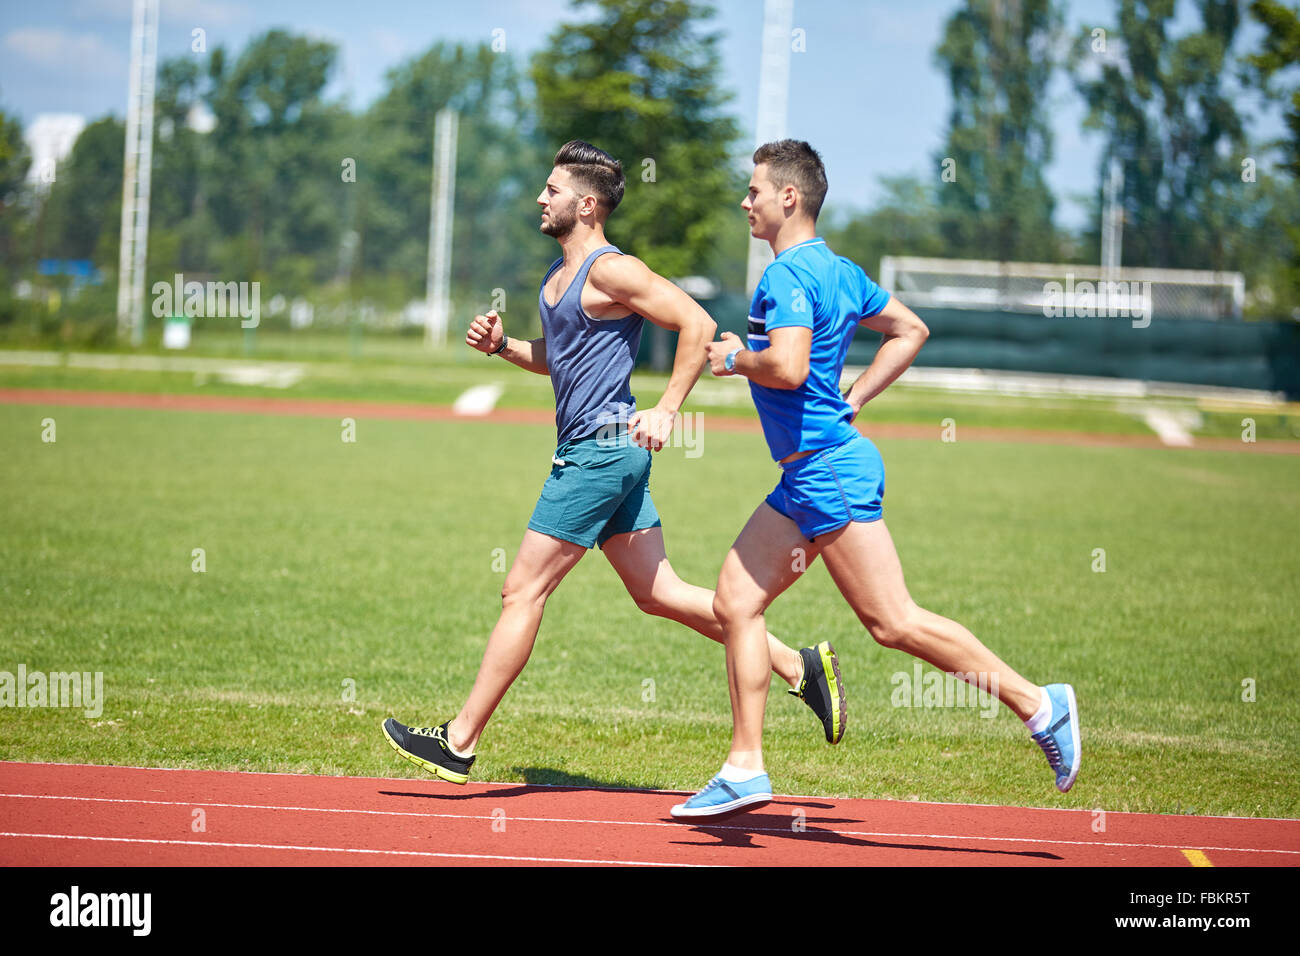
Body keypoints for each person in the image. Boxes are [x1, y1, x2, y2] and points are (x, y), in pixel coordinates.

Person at [382, 141, 846, 784]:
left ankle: (458, 741)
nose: (541, 199)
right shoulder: (558, 275)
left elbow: (697, 323)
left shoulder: (613, 270)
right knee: (658, 593)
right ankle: (799, 668)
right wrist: (505, 347)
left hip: (601, 450)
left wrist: (668, 407)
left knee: (523, 589)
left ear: (587, 203)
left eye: (552, 190)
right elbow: (562, 356)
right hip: (600, 451)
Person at [671, 139, 1080, 818]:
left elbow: (793, 367)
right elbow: (910, 329)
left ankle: (1040, 704)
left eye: (754, 191)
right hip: (812, 472)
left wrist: (737, 358)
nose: (746, 202)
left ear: (789, 198)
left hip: (826, 470)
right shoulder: (838, 269)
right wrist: (853, 400)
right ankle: (745, 767)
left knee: (893, 622)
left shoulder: (786, 277)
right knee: (735, 602)